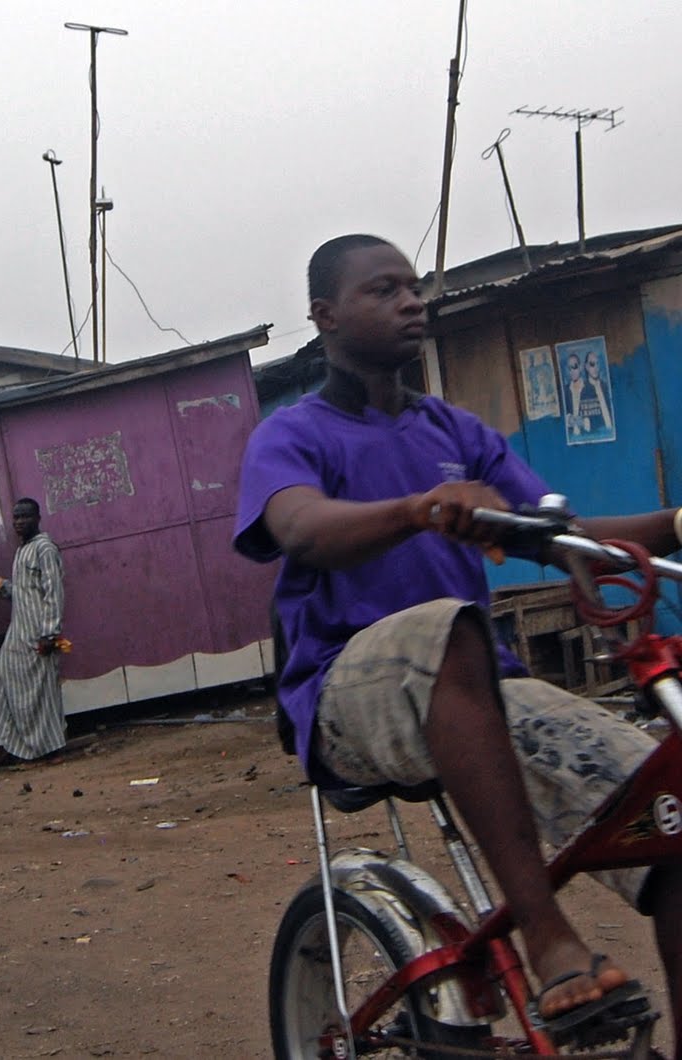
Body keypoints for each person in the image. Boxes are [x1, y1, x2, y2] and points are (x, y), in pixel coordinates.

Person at [233, 232, 682, 1044]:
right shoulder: (293, 435)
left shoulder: (455, 429)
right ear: (326, 316)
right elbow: (299, 528)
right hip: (344, 689)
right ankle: (549, 941)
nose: (413, 301)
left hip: (478, 679)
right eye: (385, 289)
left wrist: (674, 525)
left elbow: (561, 531)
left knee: (669, 815)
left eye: (414, 287)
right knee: (452, 630)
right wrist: (415, 509)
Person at [0, 498, 67, 765]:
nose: (19, 522)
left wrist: (50, 634)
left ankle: (52, 749)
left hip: (39, 632)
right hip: (19, 632)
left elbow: (54, 592)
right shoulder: (22, 551)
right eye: (15, 517)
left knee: (42, 692)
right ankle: (4, 748)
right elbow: (23, 593)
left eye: (24, 517)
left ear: (37, 518)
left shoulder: (45, 549)